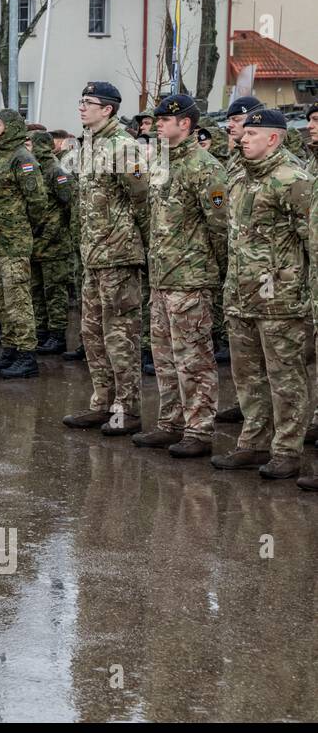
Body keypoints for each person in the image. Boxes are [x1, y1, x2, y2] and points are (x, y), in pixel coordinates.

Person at [212, 109, 312, 479]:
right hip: (240, 295)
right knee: (247, 376)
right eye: (243, 133)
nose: (242, 138)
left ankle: (287, 451)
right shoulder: (238, 175)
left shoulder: (294, 180)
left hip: (280, 301)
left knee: (286, 379)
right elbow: (224, 220)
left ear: (273, 138)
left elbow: (311, 242)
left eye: (251, 134)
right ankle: (253, 443)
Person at [134, 94, 227, 459]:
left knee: (195, 360)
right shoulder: (162, 161)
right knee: (165, 356)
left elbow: (220, 226)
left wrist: (214, 273)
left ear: (185, 124)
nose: (157, 124)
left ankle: (199, 429)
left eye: (164, 119)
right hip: (162, 277)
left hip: (190, 279)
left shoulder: (206, 167)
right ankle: (170, 422)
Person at [63, 82, 147, 435]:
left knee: (120, 335)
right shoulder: (89, 146)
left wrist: (143, 251)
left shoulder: (124, 148)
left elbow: (145, 201)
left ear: (108, 109)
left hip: (118, 256)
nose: (82, 107)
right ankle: (102, 402)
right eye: (80, 101)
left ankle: (127, 410)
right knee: (92, 333)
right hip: (93, 257)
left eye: (89, 102)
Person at [0, 108, 51, 378]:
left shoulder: (23, 159)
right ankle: (9, 350)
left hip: (13, 243)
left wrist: (22, 228)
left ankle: (26, 354)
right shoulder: (1, 158)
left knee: (18, 301)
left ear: (10, 128)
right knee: (1, 301)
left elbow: (37, 202)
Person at [29, 130, 72, 355]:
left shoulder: (56, 170)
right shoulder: (34, 169)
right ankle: (42, 330)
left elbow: (67, 201)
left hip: (54, 242)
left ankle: (57, 334)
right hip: (37, 241)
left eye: (31, 143)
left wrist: (54, 228)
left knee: (54, 290)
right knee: (37, 290)